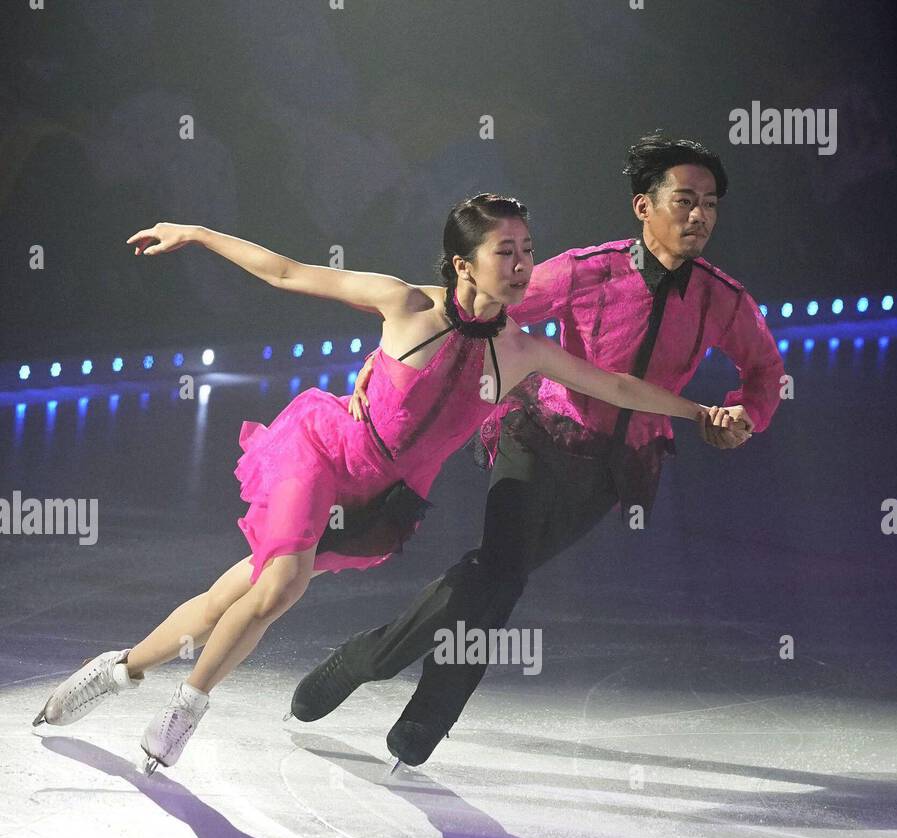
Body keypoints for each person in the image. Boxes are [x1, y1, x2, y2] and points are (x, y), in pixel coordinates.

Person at [32, 194, 744, 773]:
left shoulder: (524, 351)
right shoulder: (402, 303)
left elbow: (618, 384)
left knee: (235, 594)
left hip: (378, 505)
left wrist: (699, 410)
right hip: (325, 455)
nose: (525, 264)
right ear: (464, 263)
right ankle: (185, 711)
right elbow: (286, 272)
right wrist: (196, 230)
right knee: (281, 587)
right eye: (507, 251)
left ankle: (119, 668)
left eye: (528, 250)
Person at [291, 133, 782, 765]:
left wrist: (744, 415)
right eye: (684, 201)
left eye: (709, 204)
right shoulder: (589, 268)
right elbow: (477, 300)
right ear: (643, 207)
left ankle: (371, 659)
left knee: (501, 575)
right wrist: (390, 355)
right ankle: (415, 711)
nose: (699, 216)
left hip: (616, 465)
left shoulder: (724, 299)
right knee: (502, 567)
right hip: (541, 431)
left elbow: (765, 375)